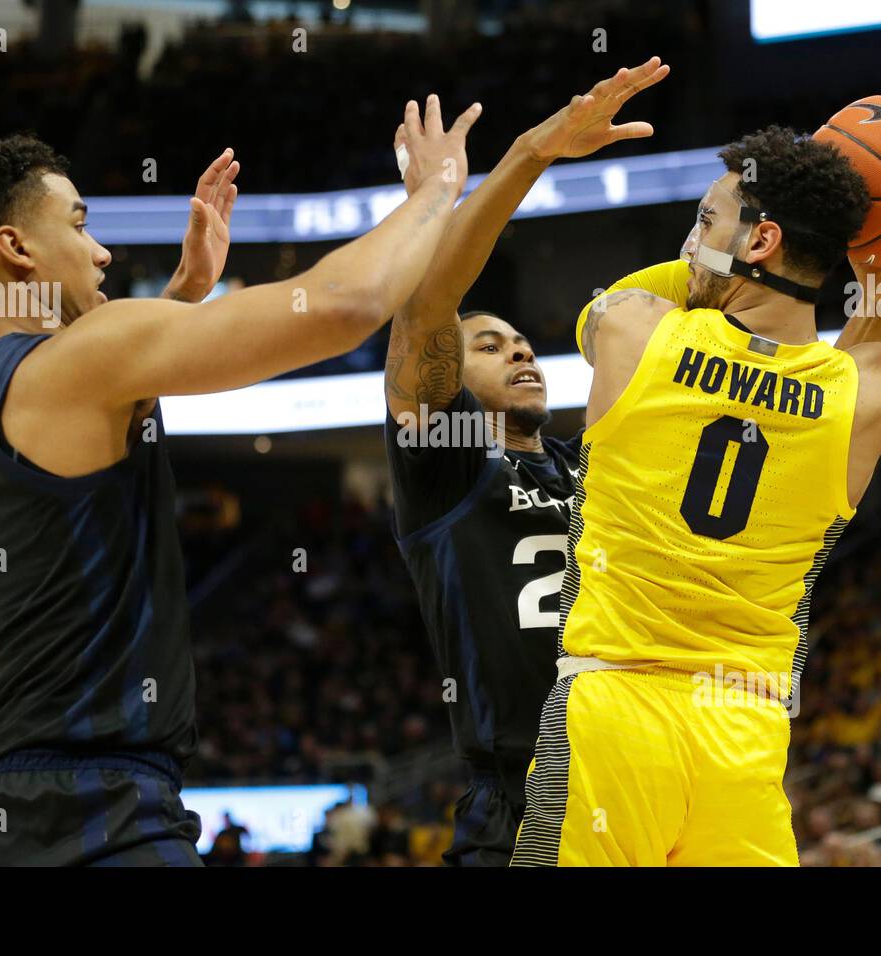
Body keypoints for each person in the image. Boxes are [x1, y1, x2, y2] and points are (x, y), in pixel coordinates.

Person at [0, 96, 480, 865]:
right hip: (98, 813)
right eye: (78, 224)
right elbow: (346, 306)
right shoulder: (79, 362)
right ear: (15, 248)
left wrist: (179, 305)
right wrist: (437, 190)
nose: (101, 251)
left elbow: (80, 417)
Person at [512, 85, 881, 866]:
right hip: (743, 733)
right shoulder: (865, 391)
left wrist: (792, 199)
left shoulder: (633, 330)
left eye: (705, 220)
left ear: (759, 240)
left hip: (610, 712)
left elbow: (651, 289)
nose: (690, 240)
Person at [383, 58, 668, 865]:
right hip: (524, 795)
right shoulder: (446, 464)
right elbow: (427, 309)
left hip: (644, 779)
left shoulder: (594, 464)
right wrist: (530, 156)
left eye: (524, 343)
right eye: (490, 344)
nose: (519, 352)